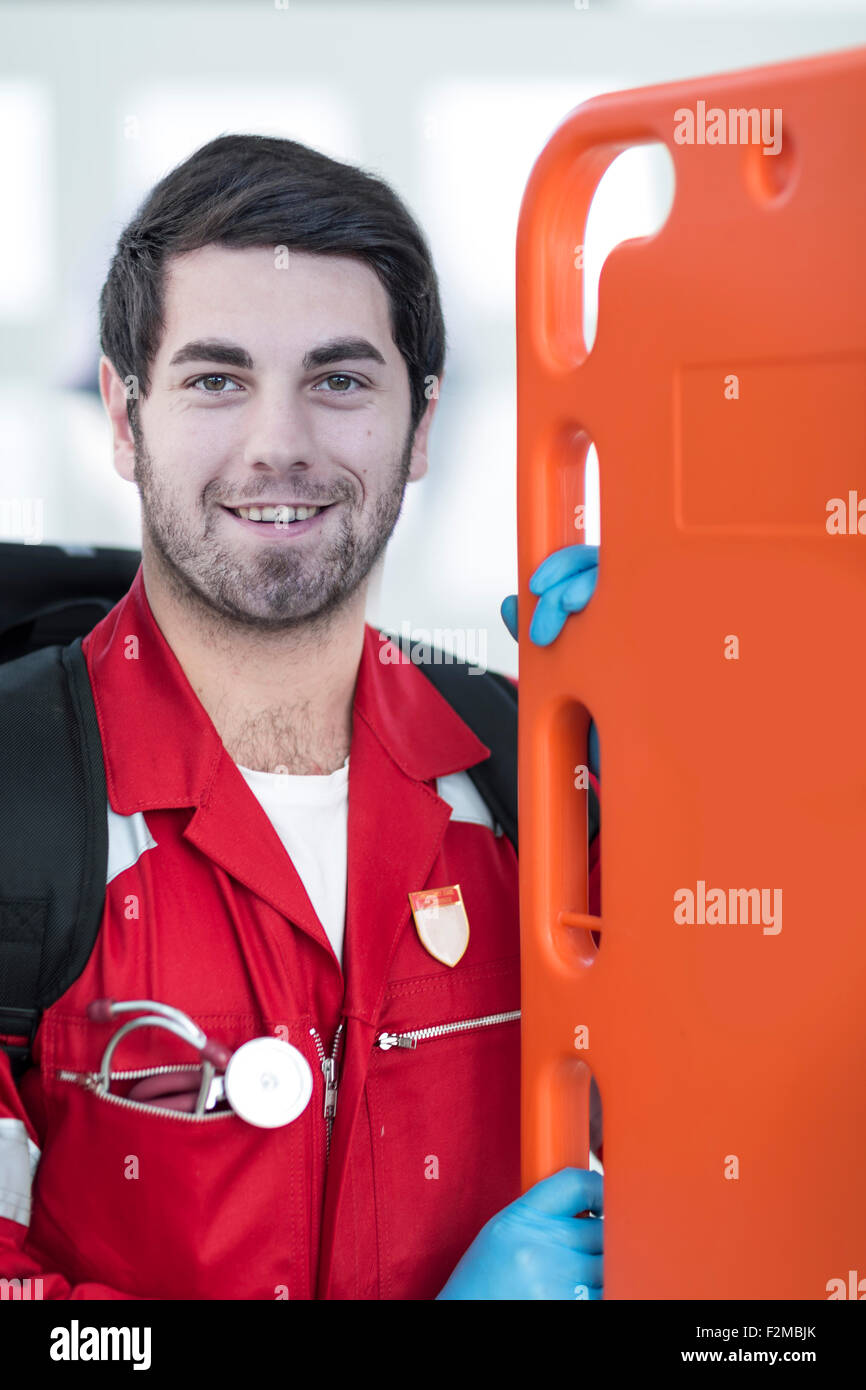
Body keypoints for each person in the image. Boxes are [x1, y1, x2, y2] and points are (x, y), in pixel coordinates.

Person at [0, 133, 601, 1300]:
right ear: (124, 418)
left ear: (419, 427)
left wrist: (713, 707)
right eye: (216, 379)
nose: (279, 445)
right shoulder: (19, 793)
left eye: (339, 379)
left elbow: (763, 1077)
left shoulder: (526, 772)